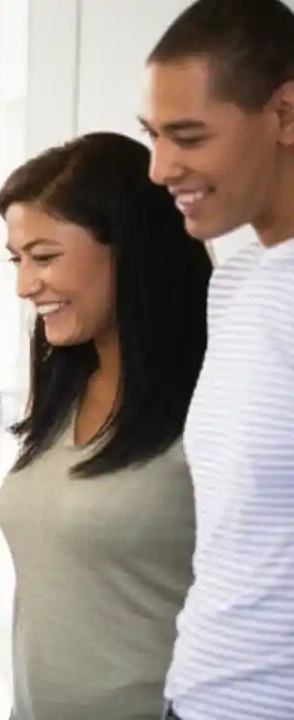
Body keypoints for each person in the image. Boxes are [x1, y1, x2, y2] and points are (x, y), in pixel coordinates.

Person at [0, 132, 212, 720]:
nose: (24, 285)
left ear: (129, 248)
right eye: (17, 260)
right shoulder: (60, 395)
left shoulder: (212, 405)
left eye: (44, 256)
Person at [140, 1, 294, 718]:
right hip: (197, 695)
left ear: (286, 115)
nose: (160, 167)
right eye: (153, 136)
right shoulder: (234, 282)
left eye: (188, 137)